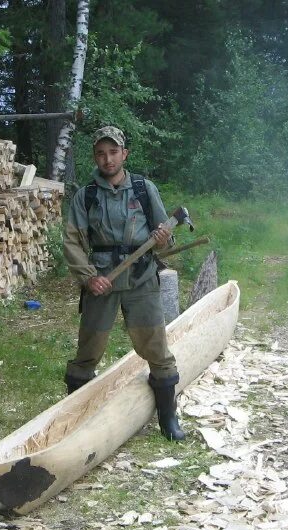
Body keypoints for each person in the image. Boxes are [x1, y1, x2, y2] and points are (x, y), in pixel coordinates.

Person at [62, 125, 184, 441]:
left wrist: (161, 238)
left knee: (155, 348)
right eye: (101, 153)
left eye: (113, 152)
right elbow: (72, 241)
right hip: (102, 281)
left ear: (124, 154)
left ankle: (168, 421)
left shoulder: (144, 190)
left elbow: (164, 239)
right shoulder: (85, 196)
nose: (107, 159)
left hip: (142, 278)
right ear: (95, 157)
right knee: (88, 351)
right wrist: (89, 278)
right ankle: (75, 423)